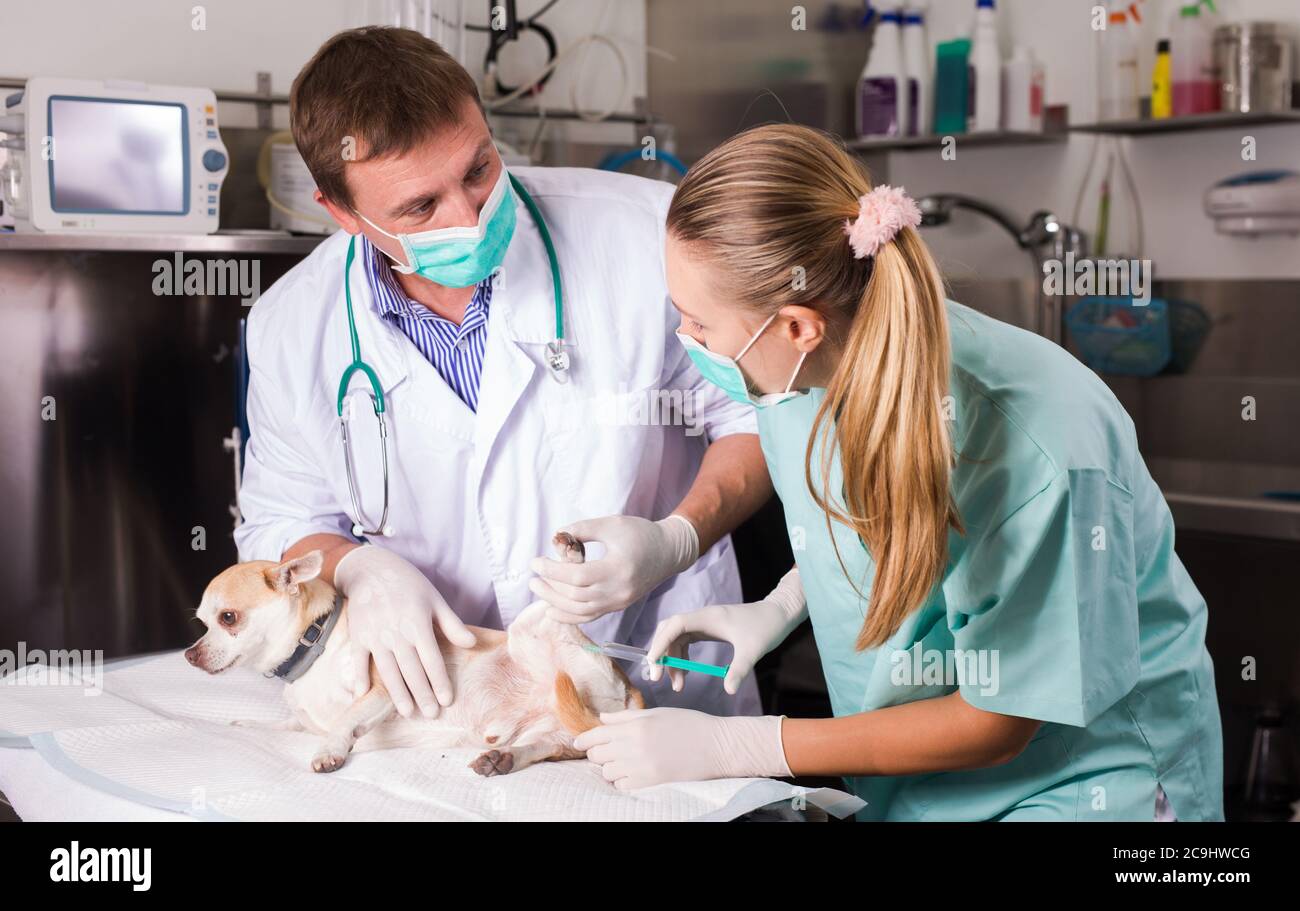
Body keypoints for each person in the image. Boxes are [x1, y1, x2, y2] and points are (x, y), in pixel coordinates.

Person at [575, 124, 1225, 821]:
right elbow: (879, 530)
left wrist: (745, 744)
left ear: (797, 324)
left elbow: (999, 717)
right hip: (918, 787)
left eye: (698, 323)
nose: (689, 342)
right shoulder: (792, 383)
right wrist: (781, 606)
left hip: (1080, 785)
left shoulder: (1035, 444)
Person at [234, 27, 772, 720]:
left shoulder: (643, 234)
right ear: (340, 212)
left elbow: (759, 412)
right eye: (421, 208)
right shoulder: (289, 326)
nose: (470, 215)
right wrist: (358, 568)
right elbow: (283, 519)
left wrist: (679, 537)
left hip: (657, 673)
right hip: (448, 704)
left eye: (479, 169)